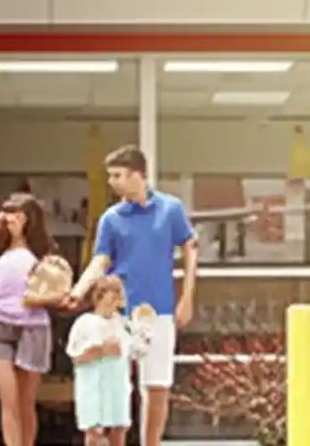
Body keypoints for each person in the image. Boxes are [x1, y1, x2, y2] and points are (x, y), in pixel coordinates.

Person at [64, 145, 199, 446]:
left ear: (138, 174)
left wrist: (187, 296)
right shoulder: (111, 218)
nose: (112, 182)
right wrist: (79, 290)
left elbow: (190, 247)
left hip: (158, 308)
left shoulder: (170, 209)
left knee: (157, 385)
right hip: (117, 313)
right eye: (110, 176)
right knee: (113, 384)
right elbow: (101, 260)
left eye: (118, 175)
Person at [0, 192, 60, 446]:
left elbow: (56, 291)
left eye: (17, 213)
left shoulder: (42, 255)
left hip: (33, 327)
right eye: (7, 213)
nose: (10, 218)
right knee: (8, 399)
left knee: (26, 402)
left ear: (29, 219)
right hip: (2, 325)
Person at [66, 275, 133, 446]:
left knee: (118, 431)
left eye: (118, 296)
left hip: (117, 387)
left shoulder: (123, 324)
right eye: (111, 296)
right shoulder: (84, 323)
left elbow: (135, 349)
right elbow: (76, 356)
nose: (114, 301)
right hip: (93, 388)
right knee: (94, 433)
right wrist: (101, 350)